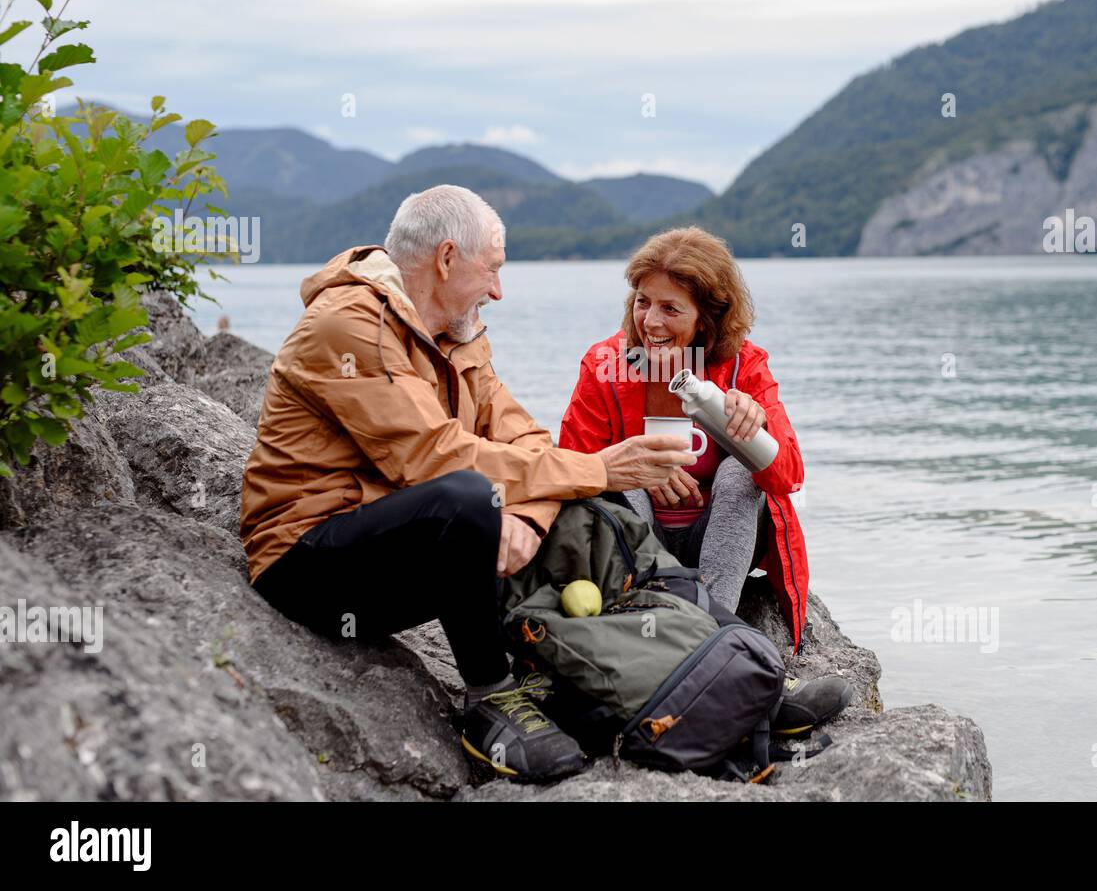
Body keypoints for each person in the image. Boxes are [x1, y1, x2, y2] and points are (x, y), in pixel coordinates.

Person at [240, 185, 696, 782]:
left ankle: (707, 656)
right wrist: (597, 468)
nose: (499, 291)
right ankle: (490, 696)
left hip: (409, 547)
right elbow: (434, 459)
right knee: (475, 496)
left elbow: (525, 438)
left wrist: (531, 515)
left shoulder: (457, 332)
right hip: (310, 564)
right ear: (447, 258)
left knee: (582, 504)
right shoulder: (346, 326)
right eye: (494, 270)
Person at [559, 226, 852, 734]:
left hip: (716, 547)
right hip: (635, 548)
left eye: (671, 309)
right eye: (643, 302)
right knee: (619, 476)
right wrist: (637, 465)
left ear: (707, 318)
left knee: (743, 471)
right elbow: (567, 470)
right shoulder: (606, 363)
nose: (650, 321)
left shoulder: (744, 366)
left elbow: (788, 478)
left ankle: (710, 645)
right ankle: (738, 678)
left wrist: (752, 423)